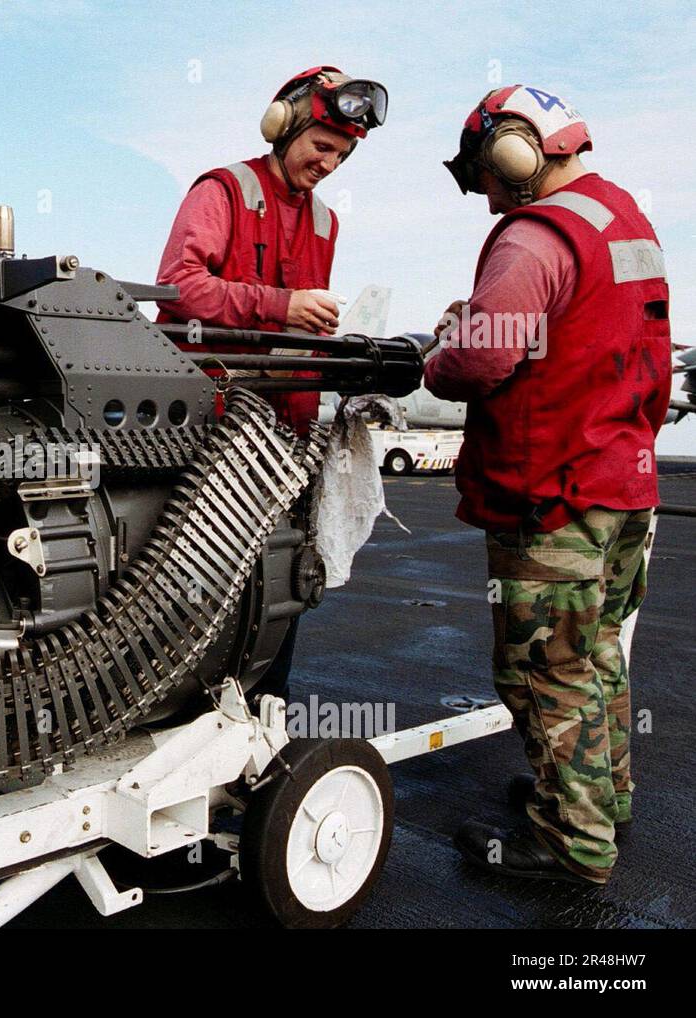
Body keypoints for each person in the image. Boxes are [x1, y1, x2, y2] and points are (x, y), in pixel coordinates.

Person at [426, 85, 671, 885]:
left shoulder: (531, 237)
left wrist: (442, 350)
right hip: (624, 485)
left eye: (485, 178)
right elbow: (583, 332)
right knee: (598, 654)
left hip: (554, 494)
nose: (486, 198)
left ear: (515, 153)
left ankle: (572, 842)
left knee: (543, 670)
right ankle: (602, 799)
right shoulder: (622, 218)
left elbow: (480, 363)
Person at [155, 65, 388, 435]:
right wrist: (281, 304)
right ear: (283, 129)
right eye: (322, 147)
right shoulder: (223, 191)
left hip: (286, 430)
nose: (329, 165)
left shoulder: (325, 221)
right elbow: (178, 286)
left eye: (341, 155)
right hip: (203, 422)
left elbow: (306, 338)